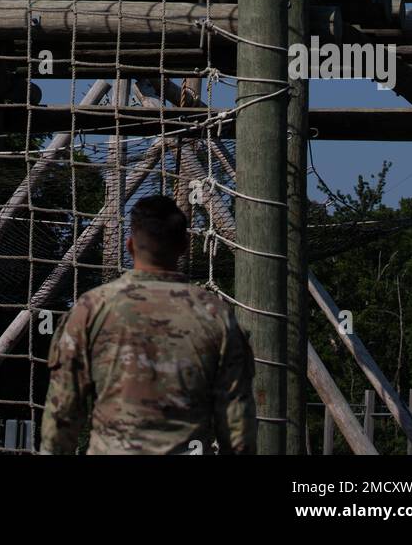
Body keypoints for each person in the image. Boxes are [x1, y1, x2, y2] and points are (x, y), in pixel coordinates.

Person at [40, 194, 257, 455]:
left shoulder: (91, 309)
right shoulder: (217, 316)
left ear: (130, 246)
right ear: (184, 246)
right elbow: (236, 427)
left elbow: (63, 412)